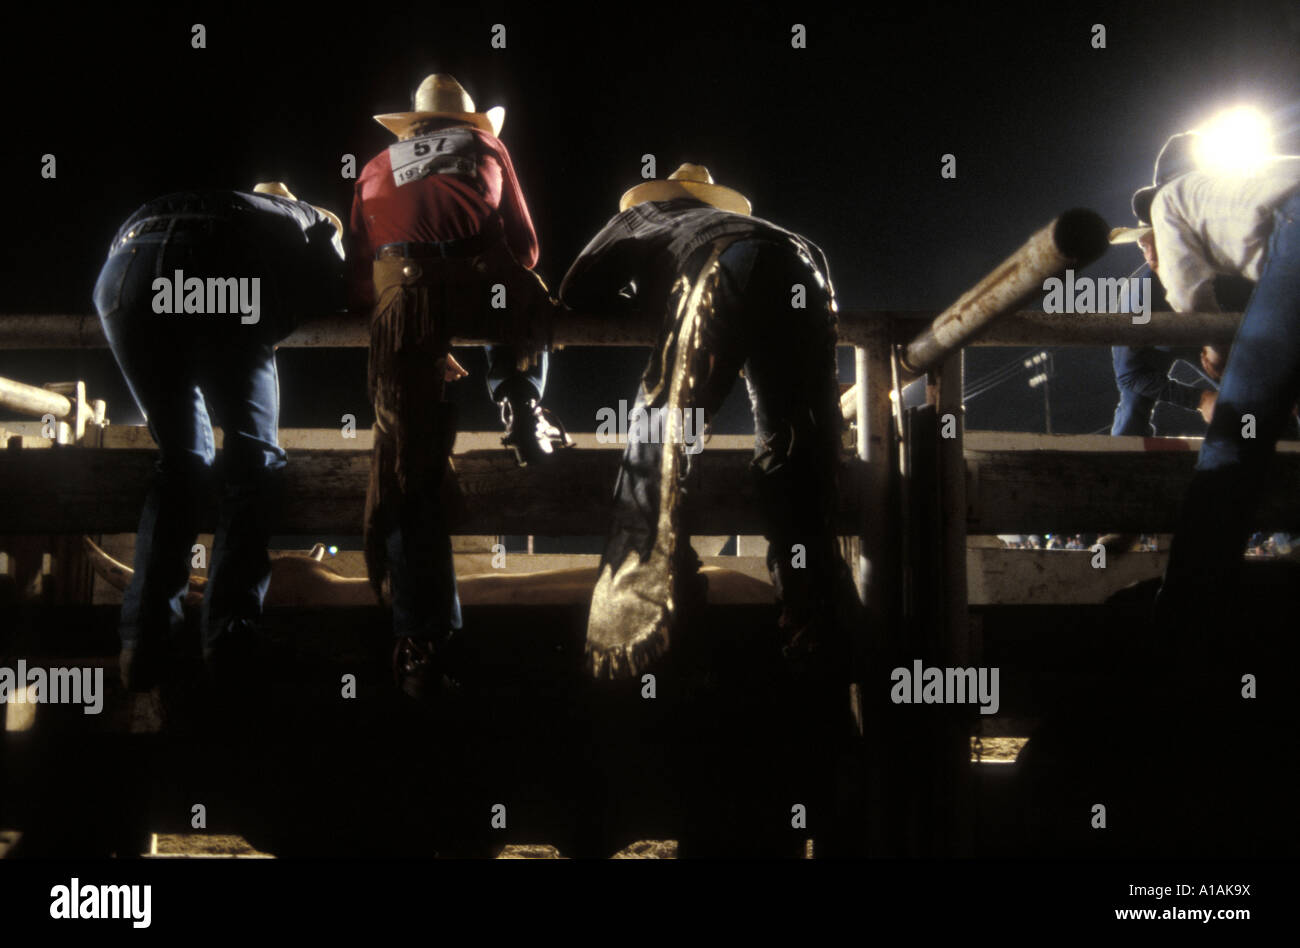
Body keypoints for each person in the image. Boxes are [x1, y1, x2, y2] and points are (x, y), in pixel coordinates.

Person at [560, 163, 853, 680]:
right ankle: (812, 615)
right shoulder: (758, 227)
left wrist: (642, 299)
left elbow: (578, 289)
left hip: (725, 271)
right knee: (793, 444)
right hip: (803, 268)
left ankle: (659, 594)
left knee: (663, 429)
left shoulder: (645, 214)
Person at [350, 74, 568, 699]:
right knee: (525, 293)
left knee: (405, 468)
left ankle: (420, 645)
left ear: (413, 125)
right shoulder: (487, 151)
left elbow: (362, 278)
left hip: (402, 304)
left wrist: (418, 333)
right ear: (470, 124)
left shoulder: (373, 165)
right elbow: (524, 246)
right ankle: (521, 401)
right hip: (480, 285)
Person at [92, 182, 345, 690]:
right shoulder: (317, 220)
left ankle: (143, 644)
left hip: (124, 274)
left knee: (183, 458)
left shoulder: (212, 202)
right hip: (216, 268)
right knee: (256, 459)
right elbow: (341, 289)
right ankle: (229, 642)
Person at [1129, 131, 1300, 637]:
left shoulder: (1169, 200)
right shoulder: (1253, 178)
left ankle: (1185, 613)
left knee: (1232, 436)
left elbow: (1189, 298)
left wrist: (1217, 354)